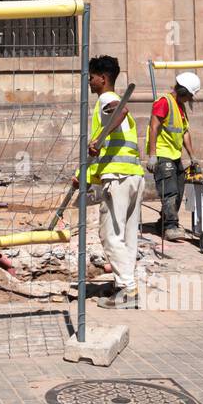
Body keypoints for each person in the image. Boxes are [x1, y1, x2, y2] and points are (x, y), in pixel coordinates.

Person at [85, 55, 145, 310]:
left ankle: (129, 290)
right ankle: (124, 284)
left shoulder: (107, 99)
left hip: (118, 178)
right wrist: (85, 177)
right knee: (127, 236)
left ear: (103, 78)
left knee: (109, 234)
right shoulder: (108, 101)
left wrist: (98, 139)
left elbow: (119, 112)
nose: (89, 82)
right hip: (133, 175)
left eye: (91, 77)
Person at [145, 71, 201, 241]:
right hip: (162, 155)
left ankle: (164, 222)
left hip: (175, 155)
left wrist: (192, 156)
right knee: (169, 192)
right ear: (183, 91)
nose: (189, 100)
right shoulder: (164, 102)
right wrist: (153, 155)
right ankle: (170, 227)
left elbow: (184, 132)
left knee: (178, 190)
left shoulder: (180, 107)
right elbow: (154, 127)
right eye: (189, 96)